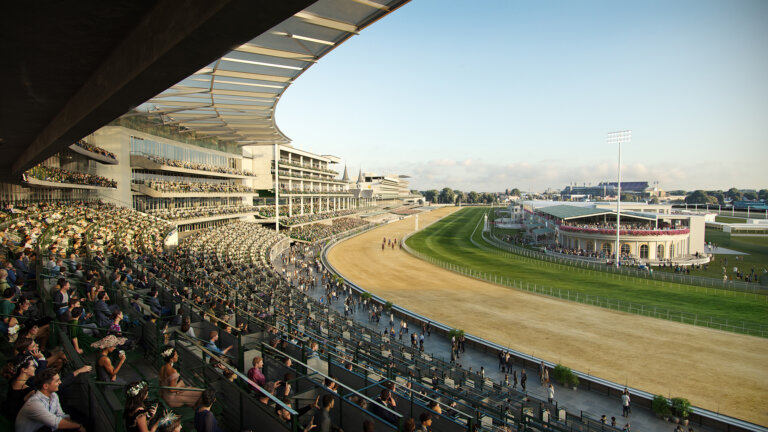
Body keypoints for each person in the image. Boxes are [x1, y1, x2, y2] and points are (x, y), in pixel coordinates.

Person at [15, 368, 87, 432]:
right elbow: (56, 423)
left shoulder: (54, 396)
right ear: (46, 386)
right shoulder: (34, 403)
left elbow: (61, 416)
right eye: (57, 381)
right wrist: (79, 426)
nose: (60, 382)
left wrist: (75, 426)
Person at [2, 355, 36, 423]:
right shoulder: (30, 391)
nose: (35, 367)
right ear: (24, 370)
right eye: (33, 366)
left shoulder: (12, 380)